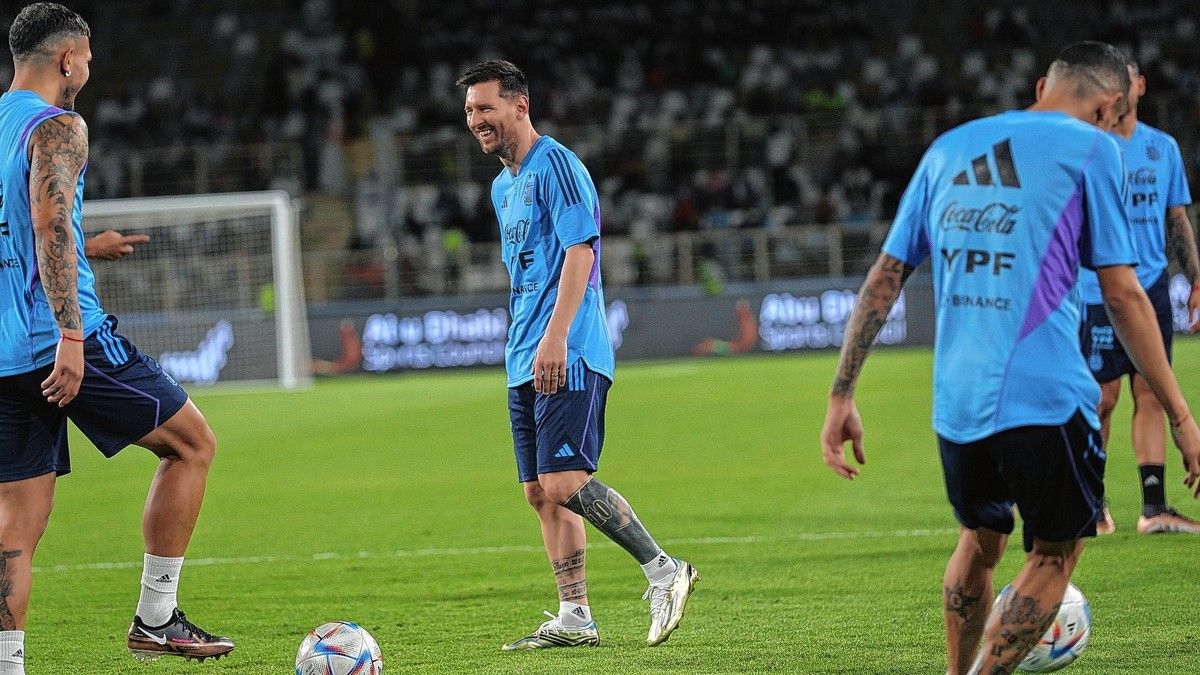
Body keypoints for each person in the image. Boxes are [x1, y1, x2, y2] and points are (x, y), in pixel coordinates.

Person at [818, 41, 1200, 675]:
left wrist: (841, 394)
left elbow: (885, 276)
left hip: (957, 402)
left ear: (1042, 83)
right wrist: (1183, 417)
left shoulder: (948, 148)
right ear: (1111, 104)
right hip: (1045, 397)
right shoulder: (1095, 149)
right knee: (1054, 554)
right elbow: (1123, 292)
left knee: (980, 540)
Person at [0, 5, 234, 670]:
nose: (90, 70)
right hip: (65, 340)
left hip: (4, 354)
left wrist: (86, 243)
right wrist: (71, 336)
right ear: (67, 59)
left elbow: (27, 229)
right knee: (192, 444)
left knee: (14, 527)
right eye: (88, 58)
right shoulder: (59, 127)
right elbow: (47, 226)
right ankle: (157, 618)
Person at [456, 60, 698, 650]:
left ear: (520, 105)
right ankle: (575, 616)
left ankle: (664, 569)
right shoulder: (502, 186)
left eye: (486, 108)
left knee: (565, 480)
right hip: (525, 356)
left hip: (567, 349)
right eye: (469, 111)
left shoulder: (558, 167)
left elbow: (581, 253)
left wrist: (557, 335)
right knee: (540, 491)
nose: (476, 121)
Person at [1077, 55, 1200, 535]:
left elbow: (1177, 220)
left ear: (1141, 86)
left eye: (1124, 81)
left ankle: (1153, 508)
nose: (1118, 90)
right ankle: (1091, 505)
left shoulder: (1162, 149)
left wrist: (1195, 279)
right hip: (1101, 286)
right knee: (1102, 397)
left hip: (1150, 283)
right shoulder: (1091, 147)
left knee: (1150, 391)